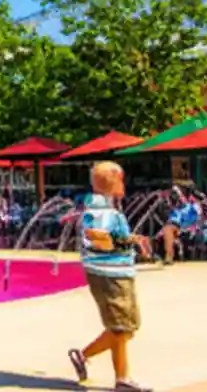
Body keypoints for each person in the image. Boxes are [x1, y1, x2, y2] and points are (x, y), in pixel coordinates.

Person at [68, 161, 151, 392]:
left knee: (124, 327)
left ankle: (90, 361)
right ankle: (120, 377)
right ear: (113, 180)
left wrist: (131, 241)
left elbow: (100, 239)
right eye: (122, 179)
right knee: (123, 327)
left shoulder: (95, 210)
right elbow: (101, 241)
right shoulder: (106, 213)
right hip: (112, 274)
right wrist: (130, 242)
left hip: (110, 272)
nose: (124, 184)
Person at [161, 187, 201, 265]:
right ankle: (168, 254)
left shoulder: (190, 207)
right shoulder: (175, 209)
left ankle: (169, 255)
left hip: (186, 227)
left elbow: (196, 219)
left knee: (167, 229)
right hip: (174, 226)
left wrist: (185, 227)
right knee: (166, 230)